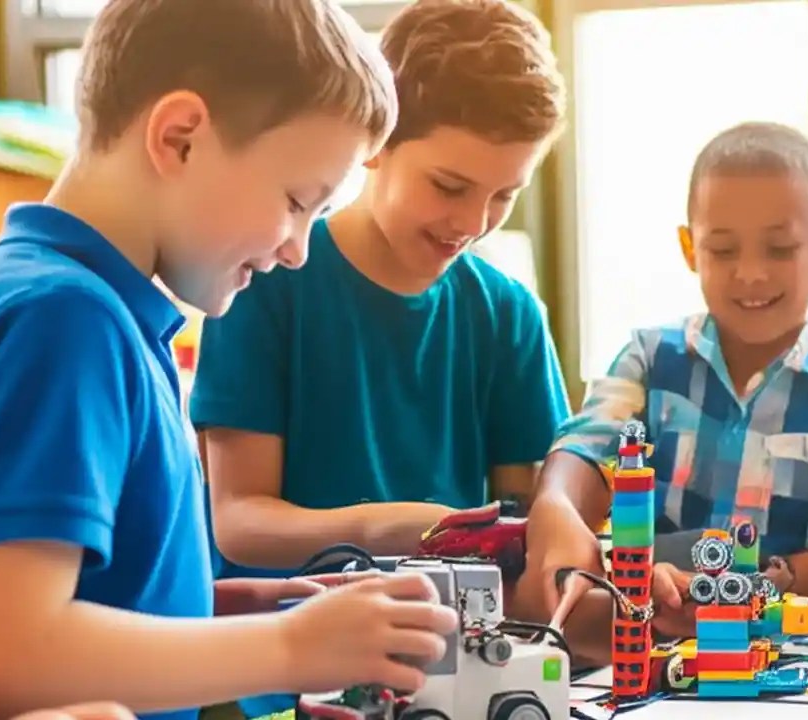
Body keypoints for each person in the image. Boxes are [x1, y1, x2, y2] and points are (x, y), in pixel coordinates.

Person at [0, 1, 457, 718]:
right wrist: (287, 646)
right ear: (180, 139)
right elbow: (5, 650)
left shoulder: (84, 309)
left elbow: (91, 601)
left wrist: (241, 616)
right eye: (297, 201)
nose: (298, 250)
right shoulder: (65, 323)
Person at [188, 0, 568, 715]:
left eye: (504, 196)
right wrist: (394, 528)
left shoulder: (509, 314)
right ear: (376, 142)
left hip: (455, 680)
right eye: (449, 186)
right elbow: (238, 521)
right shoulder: (267, 278)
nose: (472, 222)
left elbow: (528, 532)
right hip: (281, 684)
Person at [524, 121, 808, 633]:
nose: (750, 273)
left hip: (786, 653)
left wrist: (730, 592)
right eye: (724, 250)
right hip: (647, 641)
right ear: (690, 248)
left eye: (779, 249)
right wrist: (555, 506)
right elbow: (586, 451)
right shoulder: (649, 358)